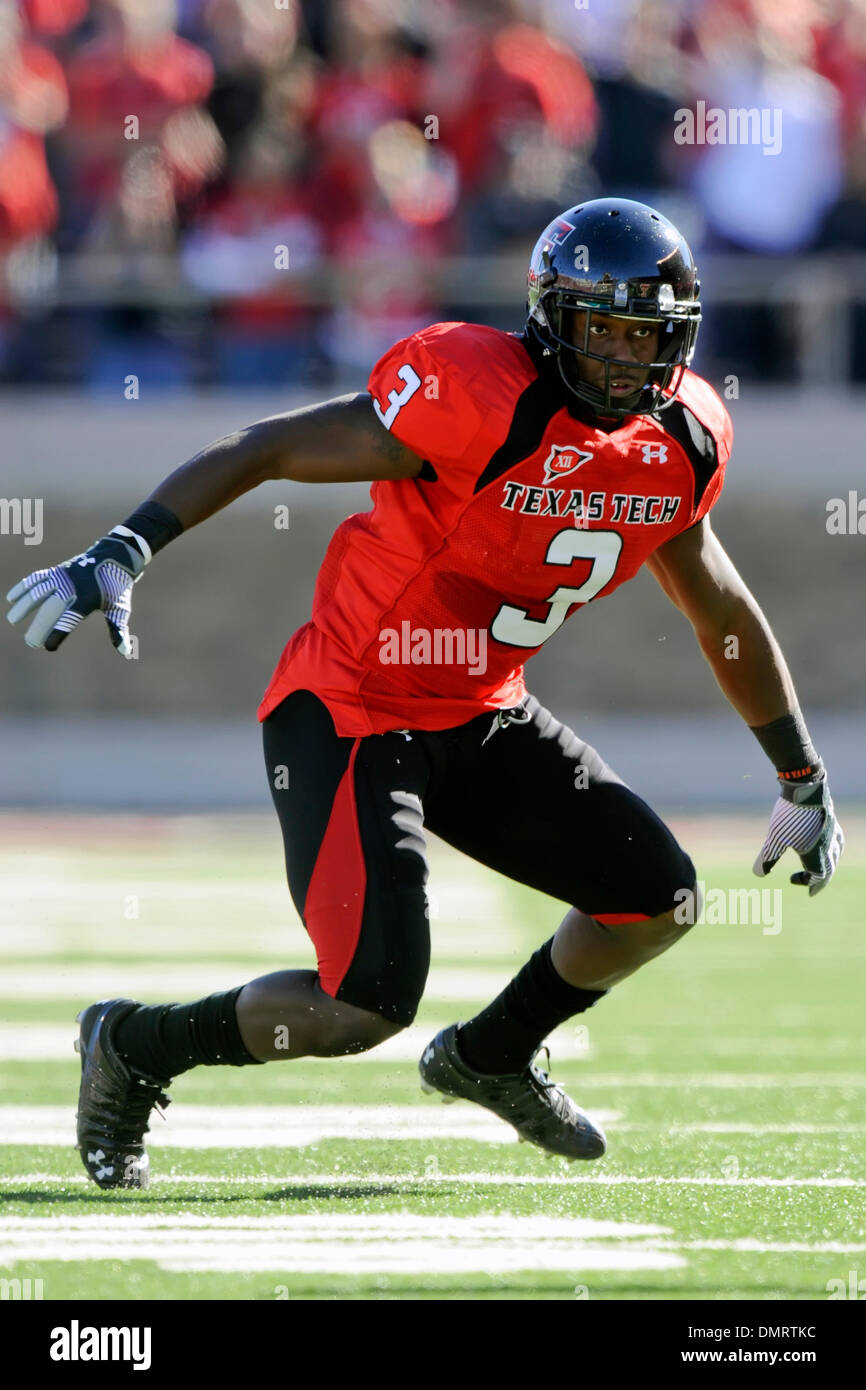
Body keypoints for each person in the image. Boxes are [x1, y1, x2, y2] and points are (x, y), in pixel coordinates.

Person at [6, 198, 844, 1190]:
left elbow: (721, 612)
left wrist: (797, 773)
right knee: (362, 1003)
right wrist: (124, 546)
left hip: (481, 707)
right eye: (605, 331)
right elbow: (268, 446)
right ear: (550, 321)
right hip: (352, 703)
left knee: (655, 898)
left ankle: (490, 1053)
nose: (625, 360)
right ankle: (137, 1043)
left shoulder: (680, 442)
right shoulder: (473, 393)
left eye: (646, 336)